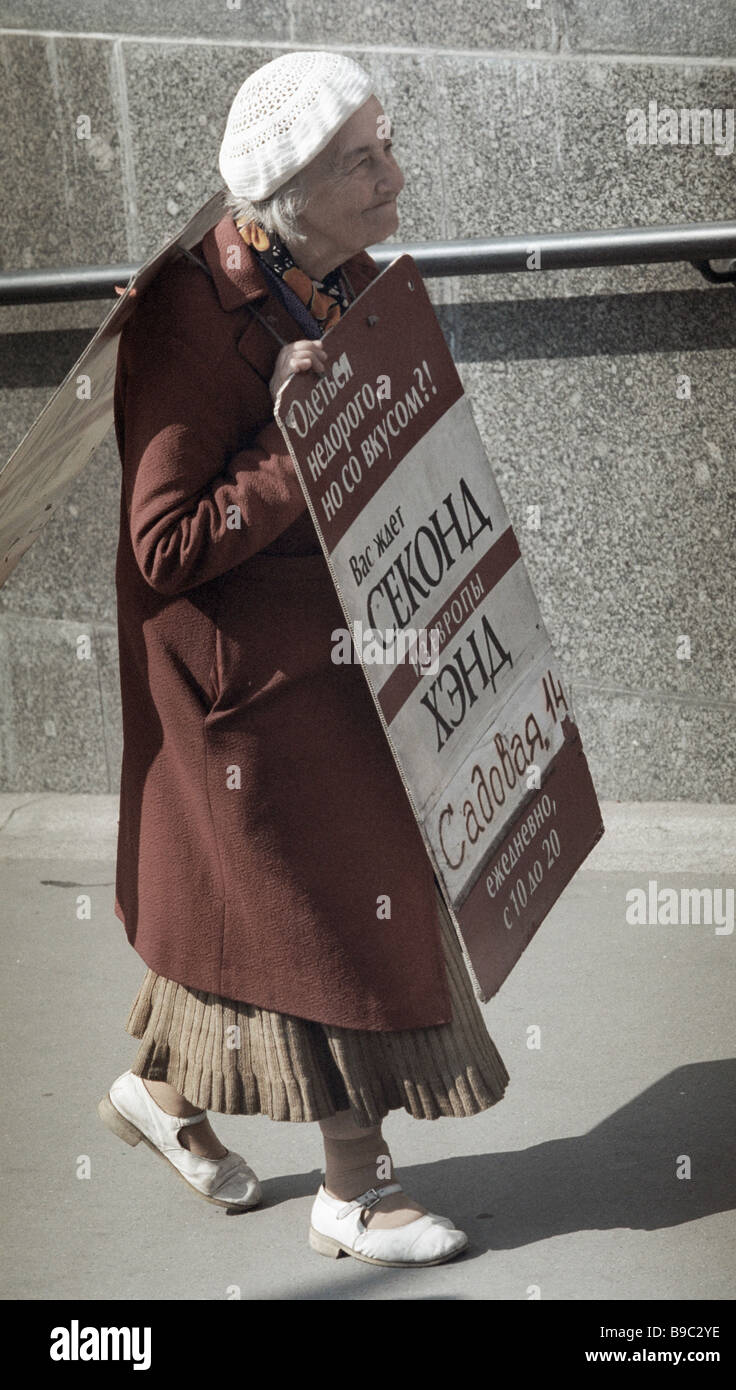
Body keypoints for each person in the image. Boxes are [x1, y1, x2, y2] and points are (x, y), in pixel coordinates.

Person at [99, 49, 510, 1269]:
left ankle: (162, 1097)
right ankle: (355, 1191)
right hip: (239, 689)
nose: (396, 174)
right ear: (287, 195)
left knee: (266, 924)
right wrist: (295, 438)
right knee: (328, 918)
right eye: (363, 160)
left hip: (333, 652)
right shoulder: (186, 313)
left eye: (385, 142)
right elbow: (164, 542)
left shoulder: (338, 280)